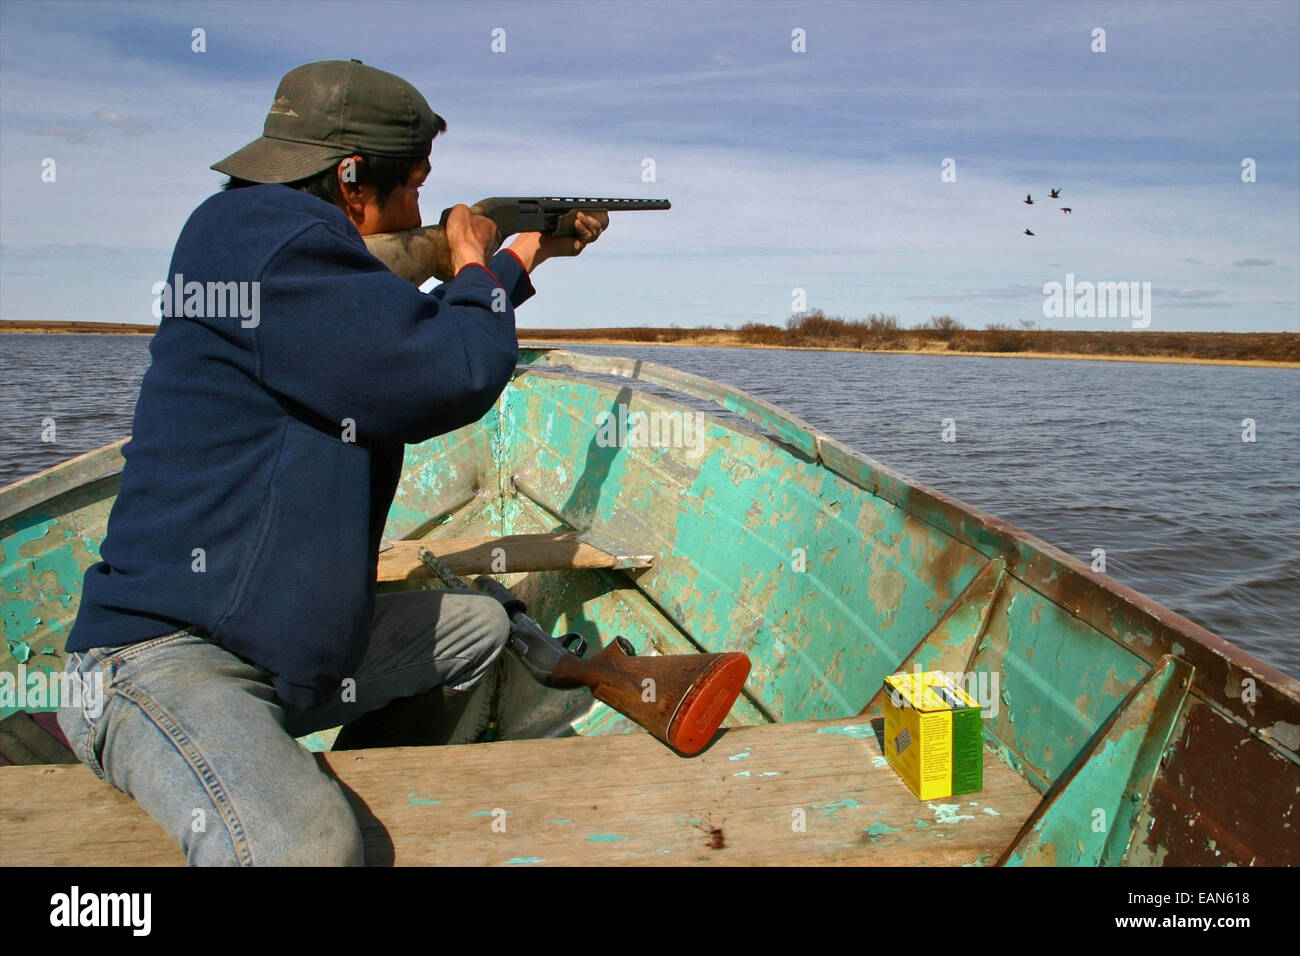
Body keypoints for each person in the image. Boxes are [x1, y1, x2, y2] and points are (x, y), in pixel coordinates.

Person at [56, 59, 604, 865]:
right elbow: (441, 370)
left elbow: (390, 335)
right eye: (416, 184)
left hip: (285, 653)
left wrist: (519, 259)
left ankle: (362, 785)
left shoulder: (266, 246)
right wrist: (473, 257)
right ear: (352, 177)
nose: (422, 205)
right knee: (307, 852)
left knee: (479, 630)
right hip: (157, 661)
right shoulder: (263, 238)